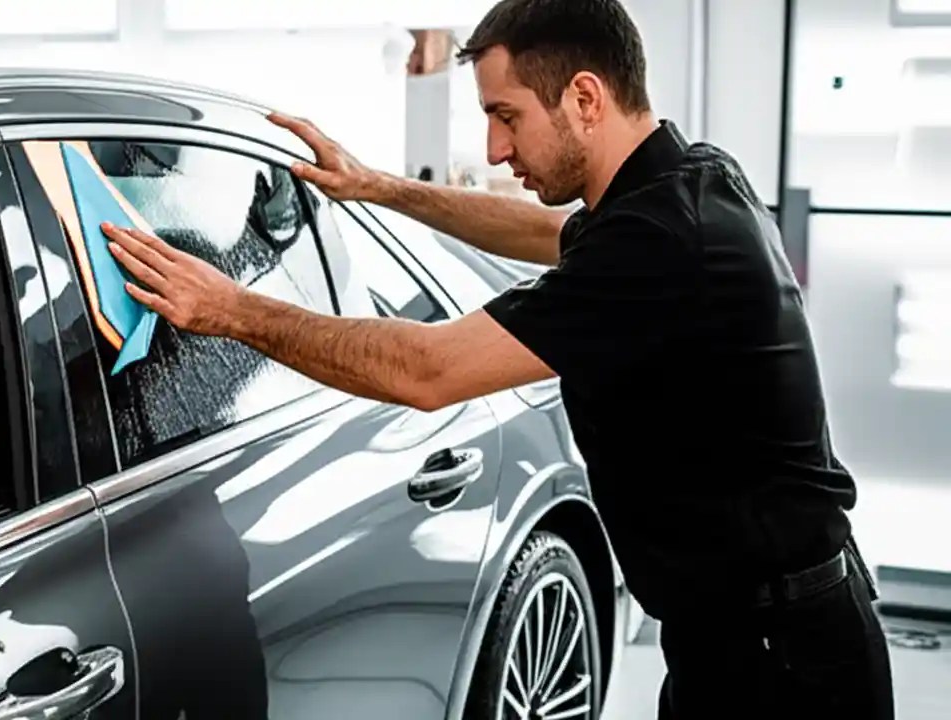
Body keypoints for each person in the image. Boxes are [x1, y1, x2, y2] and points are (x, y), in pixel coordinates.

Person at [101, 0, 896, 717]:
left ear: (585, 98)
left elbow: (425, 370)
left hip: (779, 665)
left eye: (506, 116)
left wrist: (231, 309)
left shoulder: (658, 241)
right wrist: (378, 187)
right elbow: (543, 231)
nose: (493, 146)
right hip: (755, 635)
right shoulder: (686, 182)